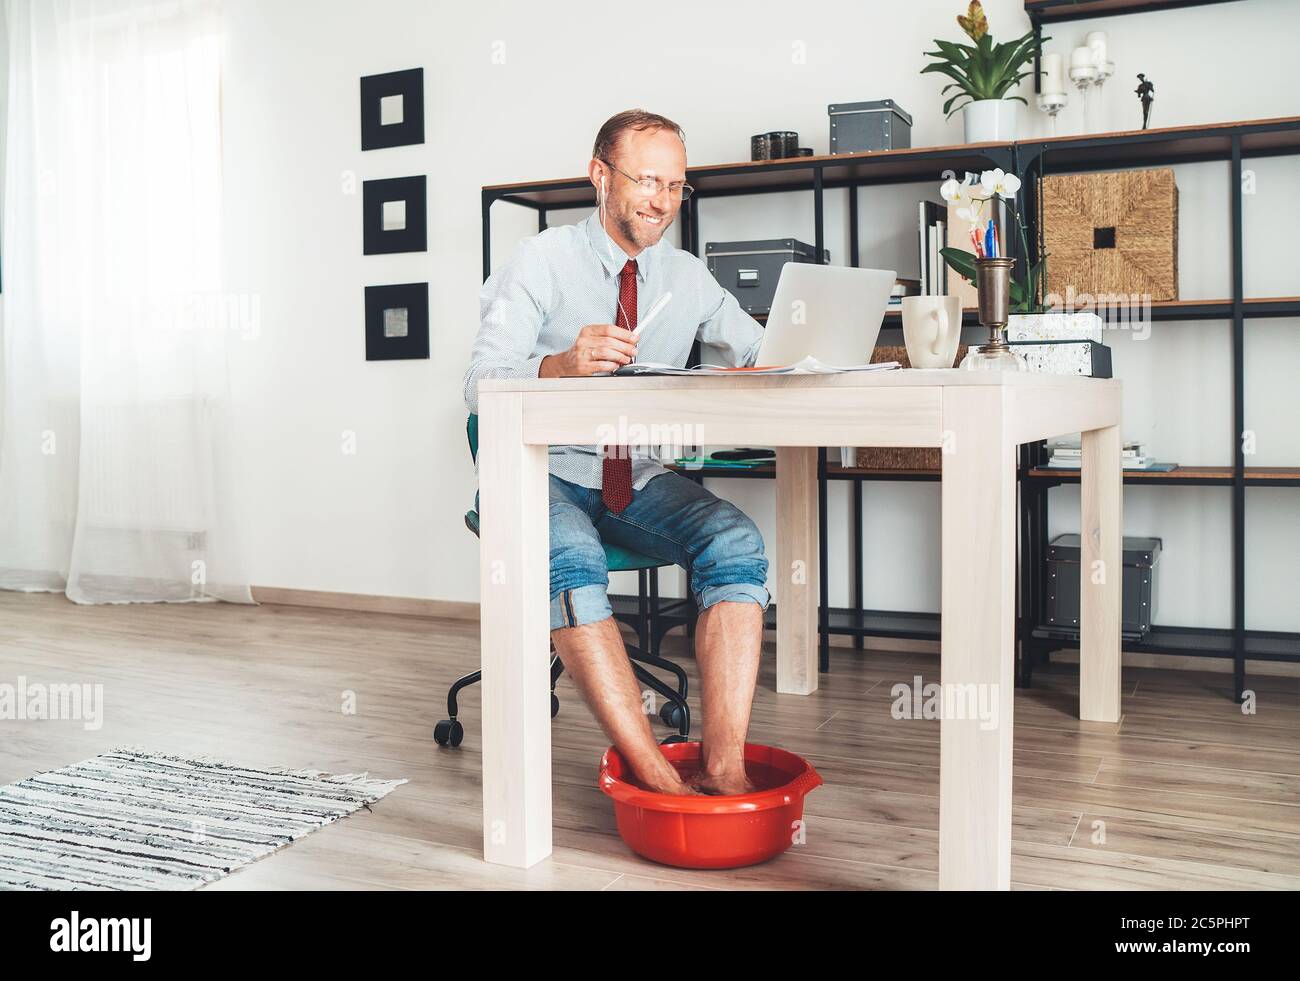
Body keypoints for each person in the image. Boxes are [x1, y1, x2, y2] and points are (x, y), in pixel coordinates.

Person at [464, 109, 770, 795]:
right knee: (570, 558)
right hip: (539, 469)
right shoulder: (541, 260)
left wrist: (790, 360)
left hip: (634, 476)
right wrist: (561, 364)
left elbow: (758, 350)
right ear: (600, 176)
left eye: (675, 185)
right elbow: (479, 384)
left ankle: (724, 766)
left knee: (736, 541)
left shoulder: (686, 276)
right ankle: (656, 774)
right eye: (646, 180)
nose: (661, 201)